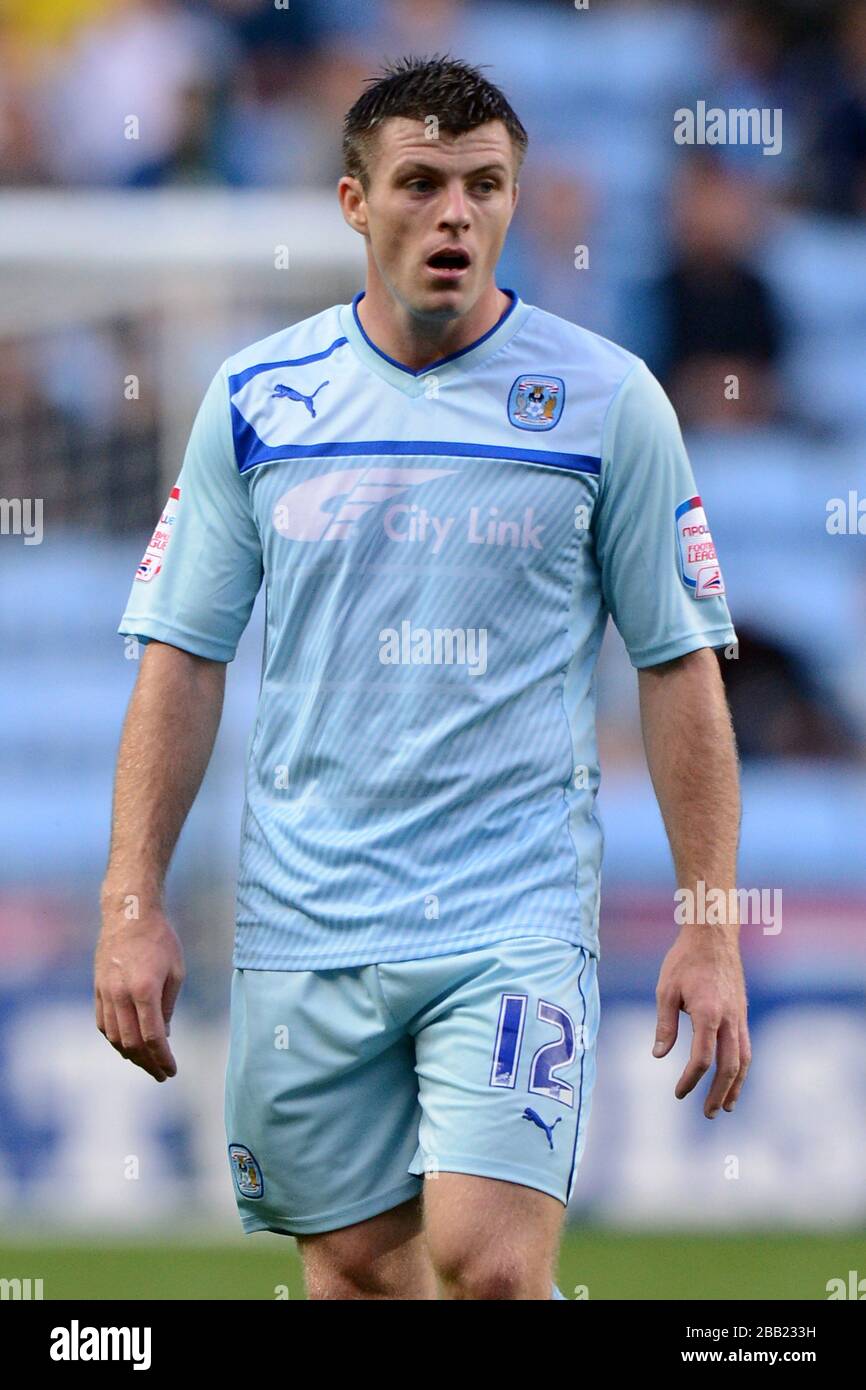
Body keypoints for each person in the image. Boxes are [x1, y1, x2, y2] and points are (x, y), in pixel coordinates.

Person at [95, 55, 750, 1301]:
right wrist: (132, 901)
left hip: (510, 910)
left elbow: (676, 667)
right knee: (353, 1277)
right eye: (419, 183)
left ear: (514, 201)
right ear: (352, 202)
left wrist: (708, 924)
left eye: (483, 186)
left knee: (490, 1269)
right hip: (307, 916)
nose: (453, 213)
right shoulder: (256, 403)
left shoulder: (607, 404)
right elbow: (182, 655)